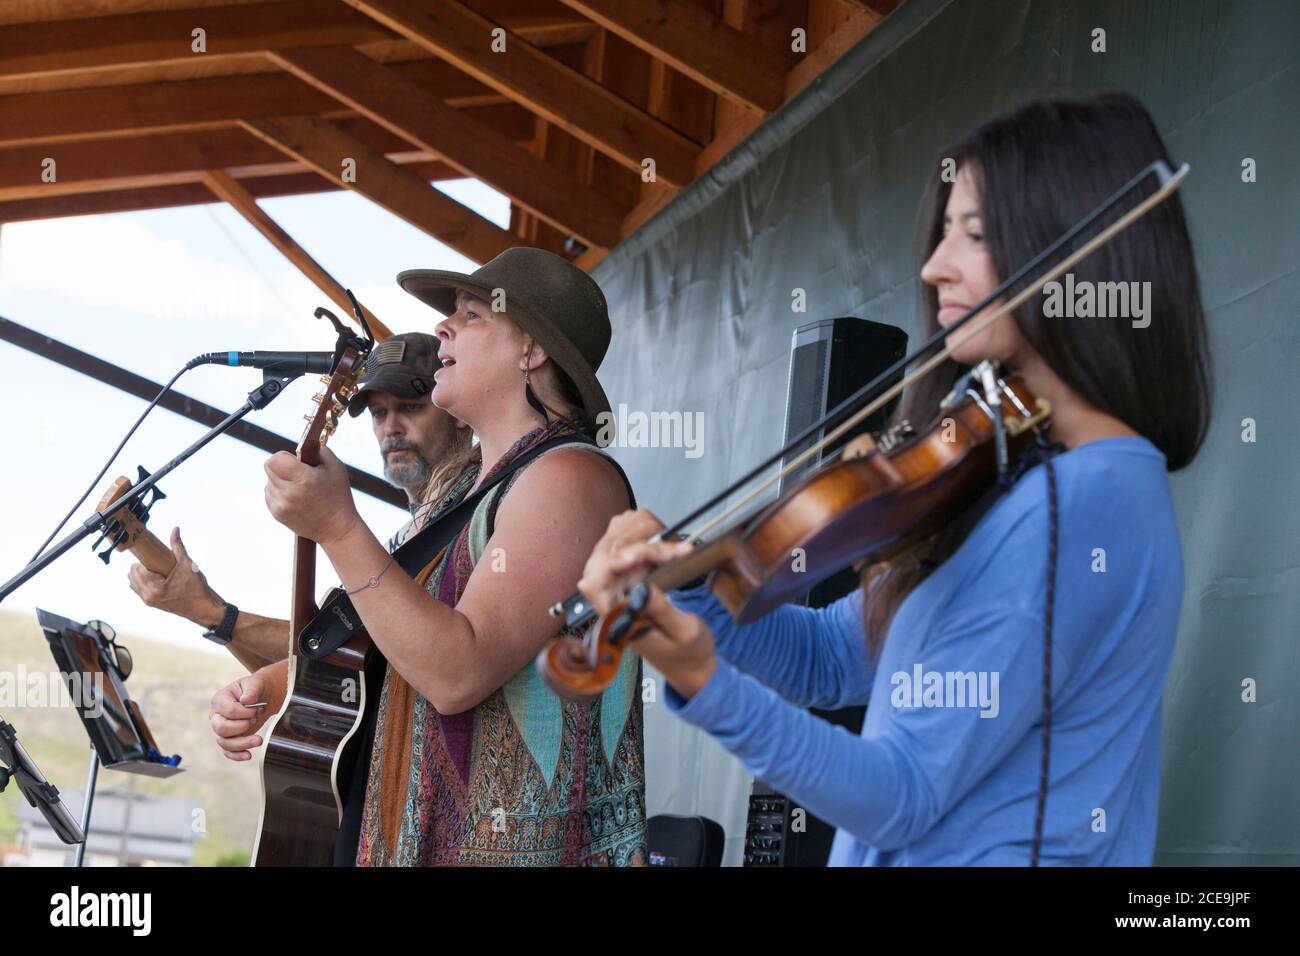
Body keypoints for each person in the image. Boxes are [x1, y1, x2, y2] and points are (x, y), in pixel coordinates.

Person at [575, 94, 1213, 865]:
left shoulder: (1082, 504)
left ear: (1071, 252)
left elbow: (903, 795)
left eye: (972, 234)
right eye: (942, 231)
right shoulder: (1018, 476)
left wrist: (702, 678)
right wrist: (687, 587)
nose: (933, 266)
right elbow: (832, 659)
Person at [212, 248, 647, 866]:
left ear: (534, 350)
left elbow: (457, 672)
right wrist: (270, 686)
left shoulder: (571, 477)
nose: (442, 326)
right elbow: (385, 651)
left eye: (470, 315)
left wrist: (337, 527)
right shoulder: (458, 504)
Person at [127, 332, 473, 673]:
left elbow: (371, 658)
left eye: (410, 407)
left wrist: (215, 614)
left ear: (457, 412)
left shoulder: (477, 508)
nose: (391, 427)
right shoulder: (401, 540)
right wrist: (215, 618)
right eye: (379, 413)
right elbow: (325, 673)